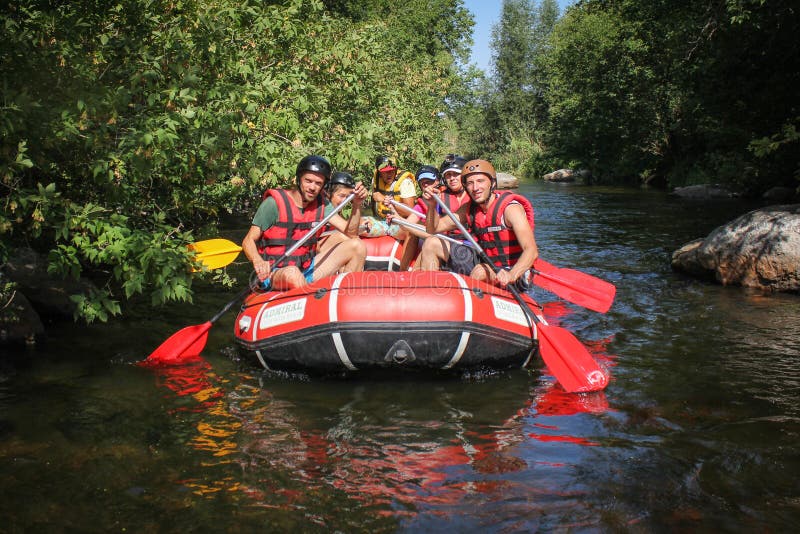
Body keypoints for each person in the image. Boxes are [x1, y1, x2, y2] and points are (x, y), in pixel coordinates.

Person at [242, 155, 368, 290]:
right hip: (276, 272)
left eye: (318, 183)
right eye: (308, 181)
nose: (312, 187)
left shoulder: (322, 205)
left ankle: (345, 296)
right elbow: (248, 241)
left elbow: (351, 233)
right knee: (292, 273)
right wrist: (257, 260)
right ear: (299, 179)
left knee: (357, 246)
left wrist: (357, 204)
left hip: (306, 268)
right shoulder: (273, 204)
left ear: (323, 186)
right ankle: (310, 298)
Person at [417, 159, 538, 289]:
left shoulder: (511, 209)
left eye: (480, 181)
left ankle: (471, 295)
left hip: (512, 270)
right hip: (484, 263)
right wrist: (432, 205)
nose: (475, 188)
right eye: (470, 183)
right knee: (431, 243)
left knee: (480, 271)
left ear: (492, 183)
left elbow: (531, 251)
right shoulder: (469, 208)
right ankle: (430, 291)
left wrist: (512, 274)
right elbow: (433, 229)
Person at [370, 155, 417, 222]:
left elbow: (411, 212)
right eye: (385, 171)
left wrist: (385, 200)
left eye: (392, 170)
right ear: (379, 173)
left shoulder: (406, 182)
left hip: (401, 222)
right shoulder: (375, 180)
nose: (389, 174)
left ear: (395, 170)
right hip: (381, 220)